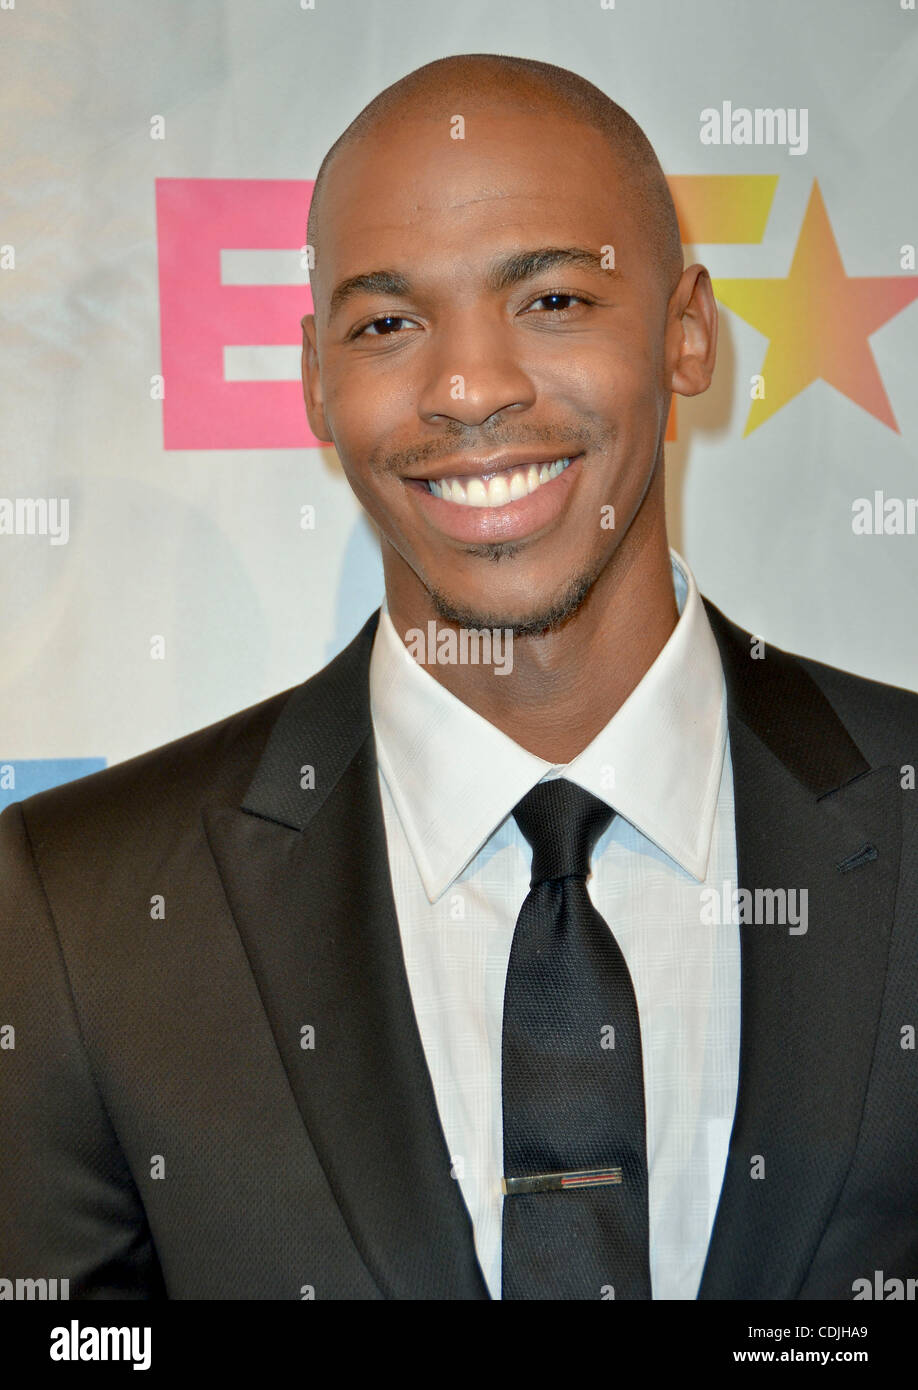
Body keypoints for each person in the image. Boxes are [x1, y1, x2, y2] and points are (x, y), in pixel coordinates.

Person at [1, 53, 916, 1302]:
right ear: (317, 379)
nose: (469, 387)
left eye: (550, 300)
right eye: (387, 323)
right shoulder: (76, 908)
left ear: (689, 331)